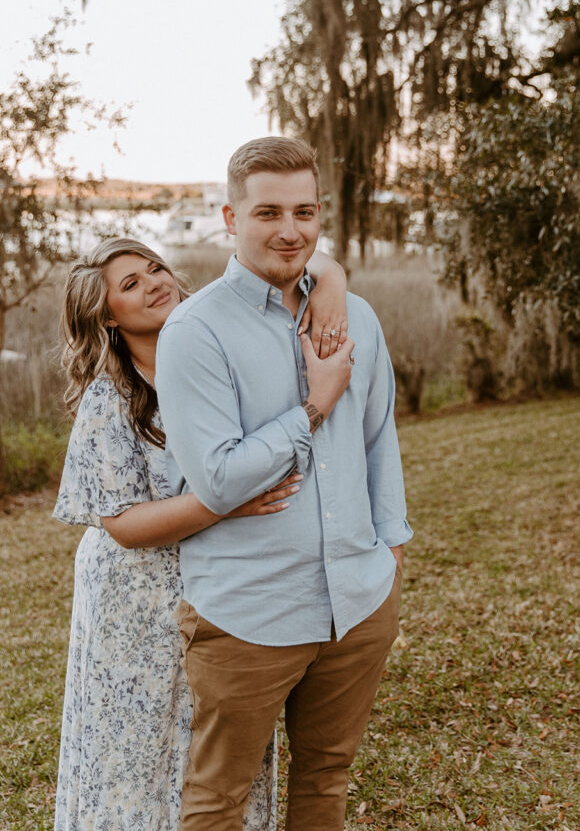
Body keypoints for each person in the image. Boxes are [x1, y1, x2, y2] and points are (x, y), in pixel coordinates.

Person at [155, 137, 413, 831]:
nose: (290, 230)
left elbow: (378, 437)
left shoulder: (354, 317)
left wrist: (388, 552)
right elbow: (216, 477)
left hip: (356, 603)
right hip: (248, 609)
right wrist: (311, 406)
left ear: (321, 213)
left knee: (325, 781)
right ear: (230, 218)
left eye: (304, 211)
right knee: (217, 798)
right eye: (267, 211)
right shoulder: (195, 332)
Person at [52, 236, 348, 831]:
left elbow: (296, 257)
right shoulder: (111, 398)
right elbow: (123, 524)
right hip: (133, 601)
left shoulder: (218, 349)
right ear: (107, 316)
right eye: (130, 284)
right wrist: (223, 503)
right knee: (135, 749)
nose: (154, 282)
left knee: (214, 739)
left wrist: (334, 283)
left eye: (155, 267)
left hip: (223, 581)